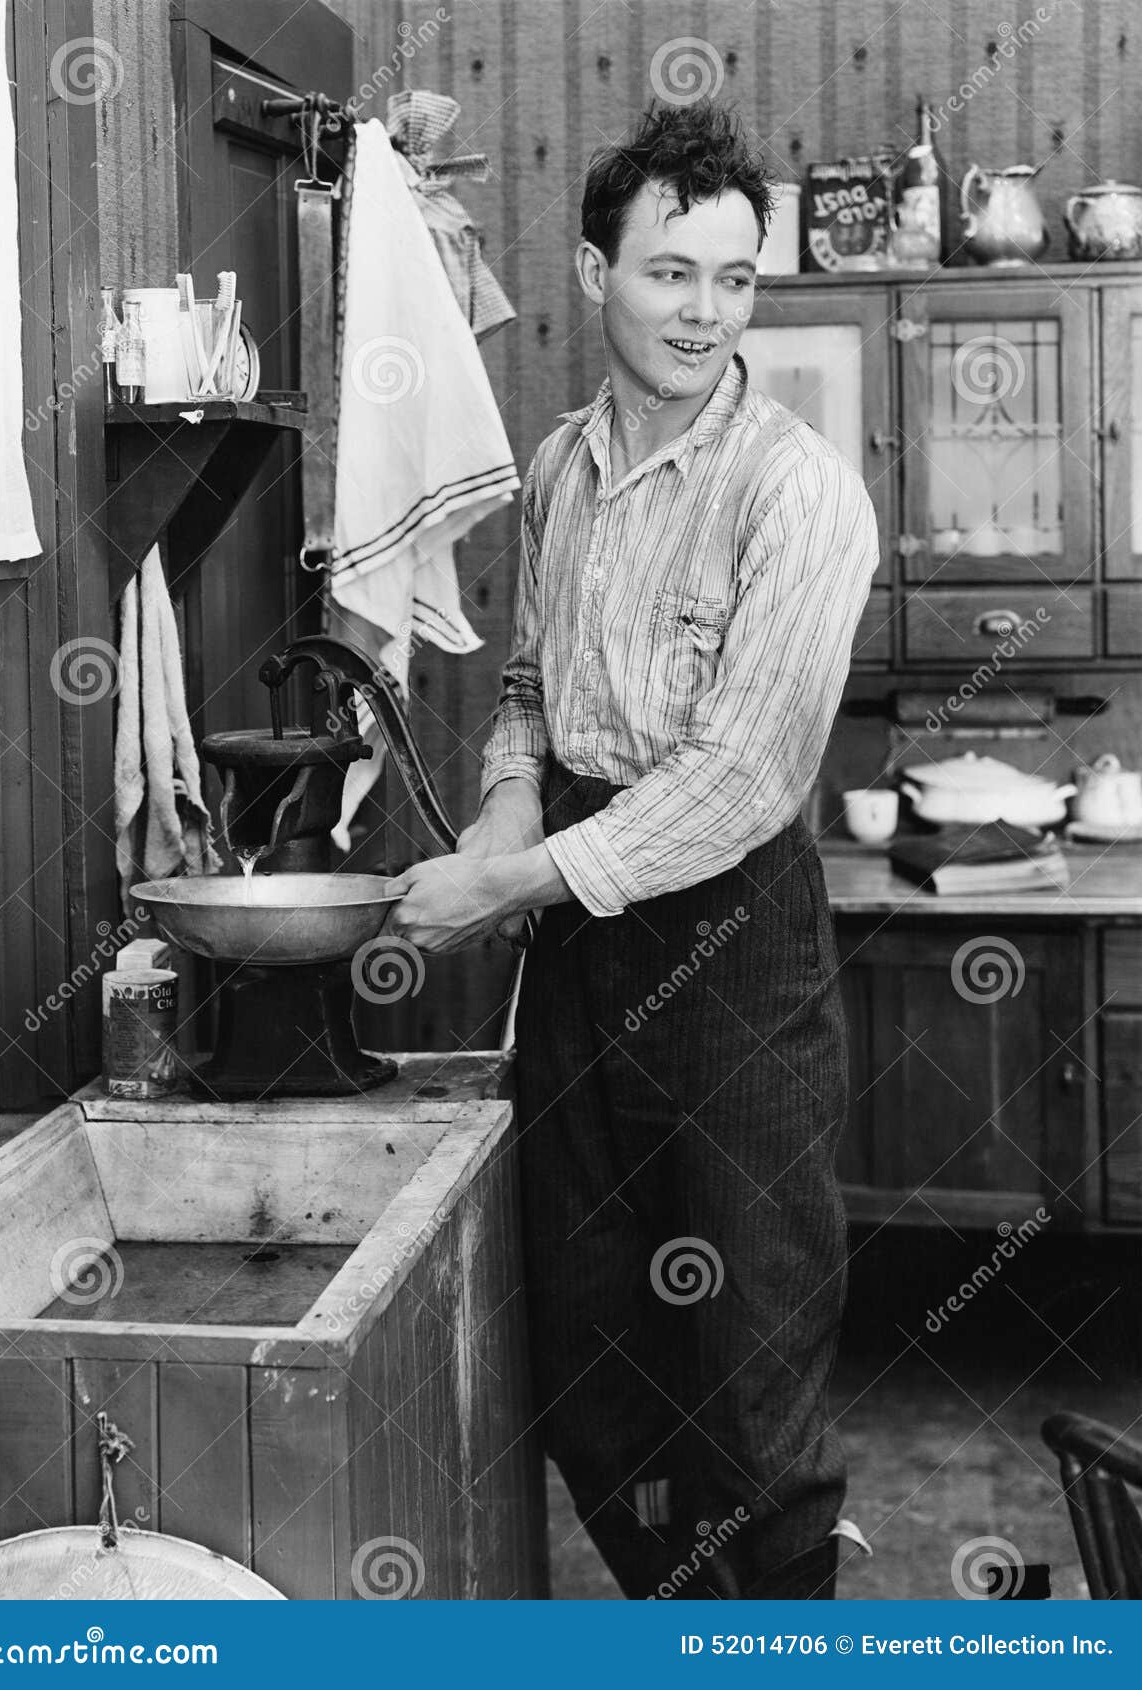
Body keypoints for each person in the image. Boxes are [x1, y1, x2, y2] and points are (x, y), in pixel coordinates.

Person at [383, 99, 879, 1600]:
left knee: (748, 1372)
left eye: (735, 279)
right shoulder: (559, 466)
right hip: (580, 937)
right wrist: (507, 804)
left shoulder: (797, 488)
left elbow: (742, 777)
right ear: (598, 271)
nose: (705, 312)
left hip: (731, 938)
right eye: (672, 272)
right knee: (592, 1360)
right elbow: (530, 686)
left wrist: (509, 881)